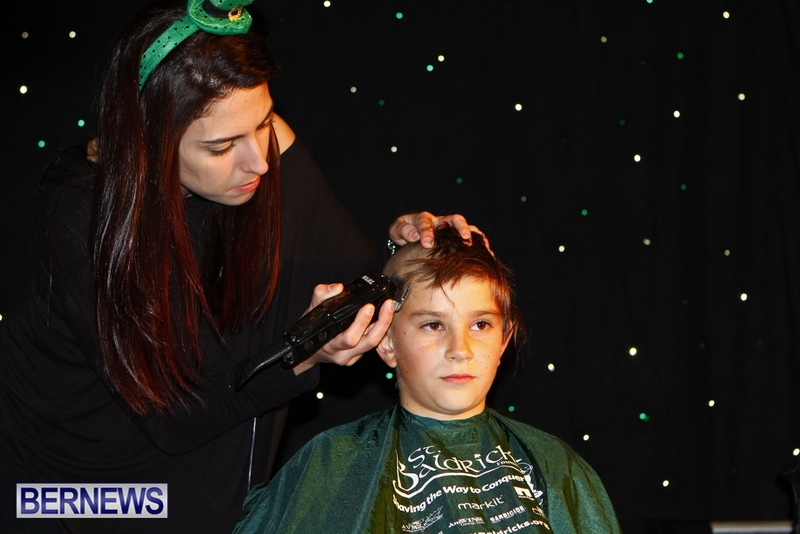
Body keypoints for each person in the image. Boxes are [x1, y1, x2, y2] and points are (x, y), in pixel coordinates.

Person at [0, 1, 475, 533]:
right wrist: (302, 358)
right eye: (222, 146)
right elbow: (170, 419)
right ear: (146, 141)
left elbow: (353, 275)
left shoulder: (253, 141)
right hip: (66, 492)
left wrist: (409, 249)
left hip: (203, 481)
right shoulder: (80, 212)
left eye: (265, 122)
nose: (260, 160)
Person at [234, 225, 621, 534]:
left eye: (481, 324)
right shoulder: (329, 466)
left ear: (504, 341)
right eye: (434, 325)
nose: (461, 348)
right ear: (385, 342)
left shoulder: (558, 467)